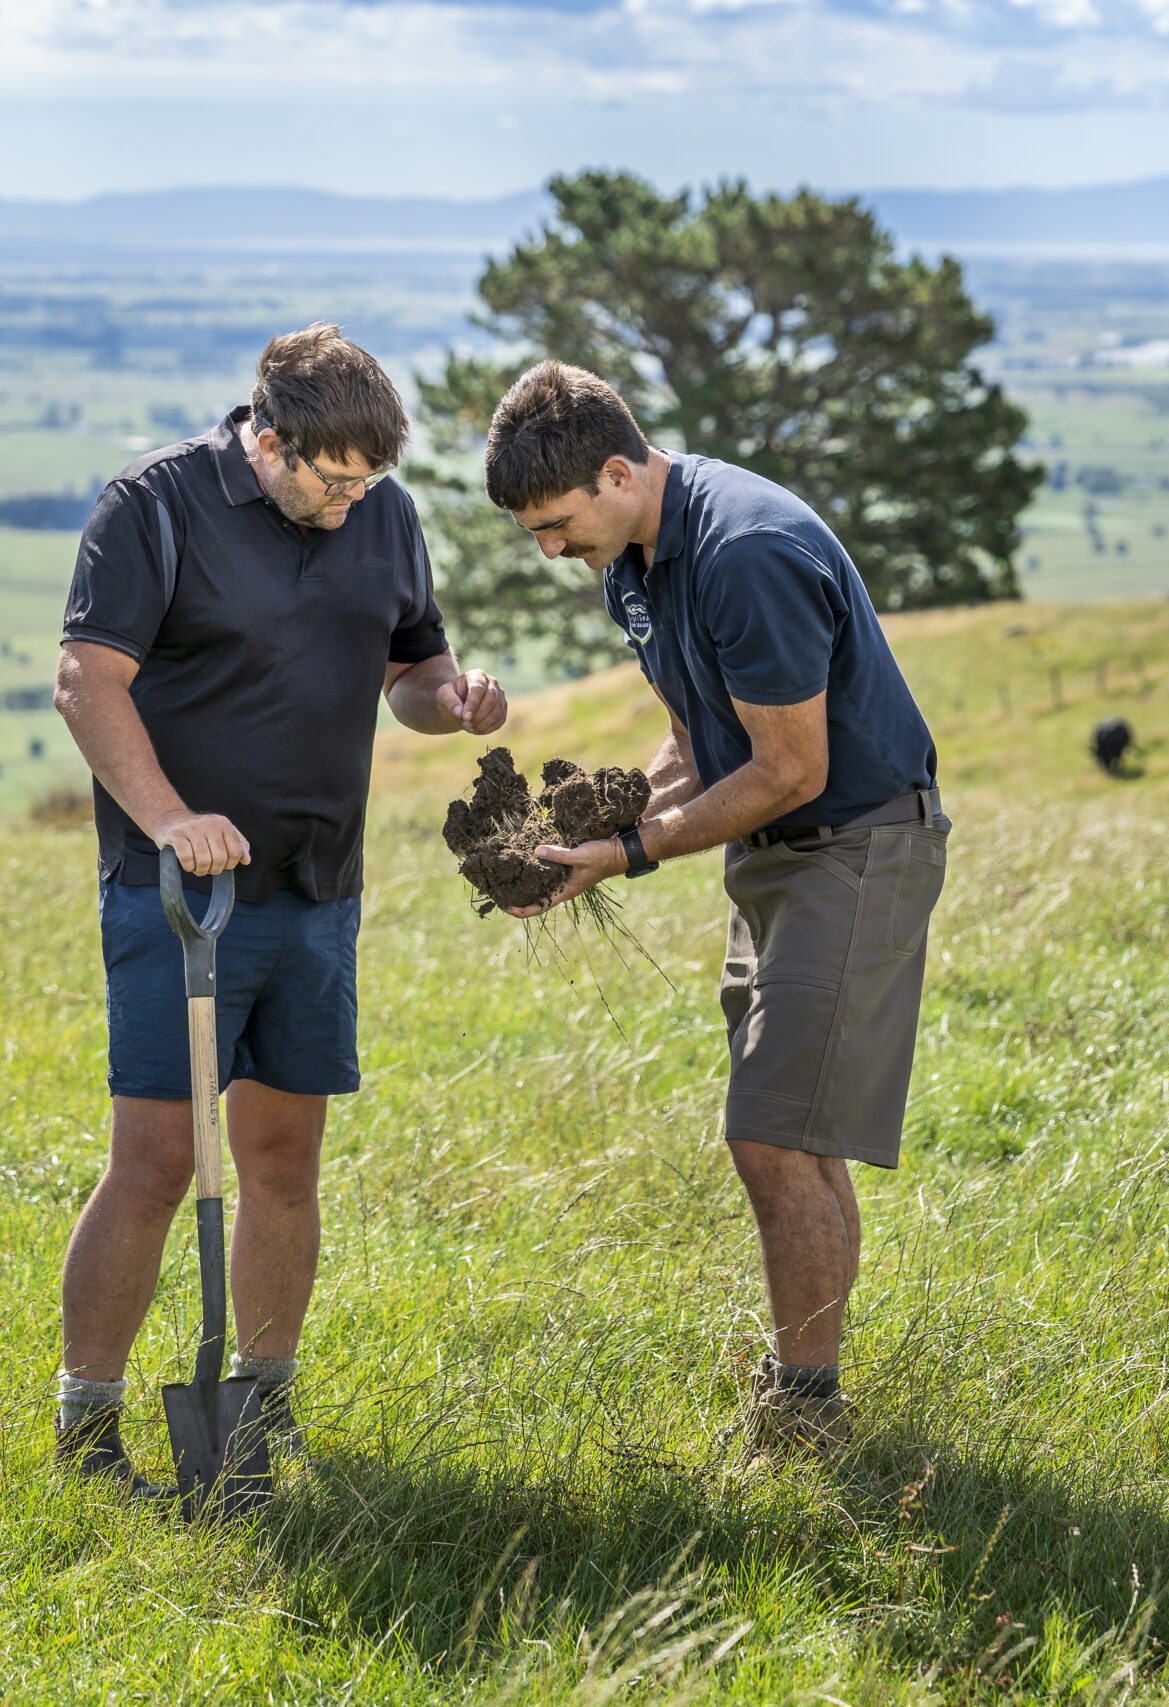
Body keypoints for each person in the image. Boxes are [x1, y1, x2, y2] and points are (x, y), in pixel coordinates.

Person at [53, 324, 507, 1489]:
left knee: (284, 1158)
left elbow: (408, 671)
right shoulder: (152, 507)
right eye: (335, 479)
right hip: (178, 892)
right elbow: (86, 682)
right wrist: (168, 821)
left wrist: (450, 701)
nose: (356, 500)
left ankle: (260, 1405)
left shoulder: (384, 514)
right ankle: (87, 1424)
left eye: (371, 480)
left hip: (318, 887)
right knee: (154, 1160)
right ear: (268, 440)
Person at [482, 360, 947, 1454]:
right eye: (531, 534)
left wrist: (631, 852)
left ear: (615, 471)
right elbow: (700, 743)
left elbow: (787, 766)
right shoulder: (633, 562)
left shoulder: (744, 554)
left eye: (555, 524)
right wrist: (605, 815)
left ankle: (805, 1411)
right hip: (774, 853)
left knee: (773, 1136)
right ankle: (812, 1388)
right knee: (795, 1135)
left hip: (854, 843)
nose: (549, 551)